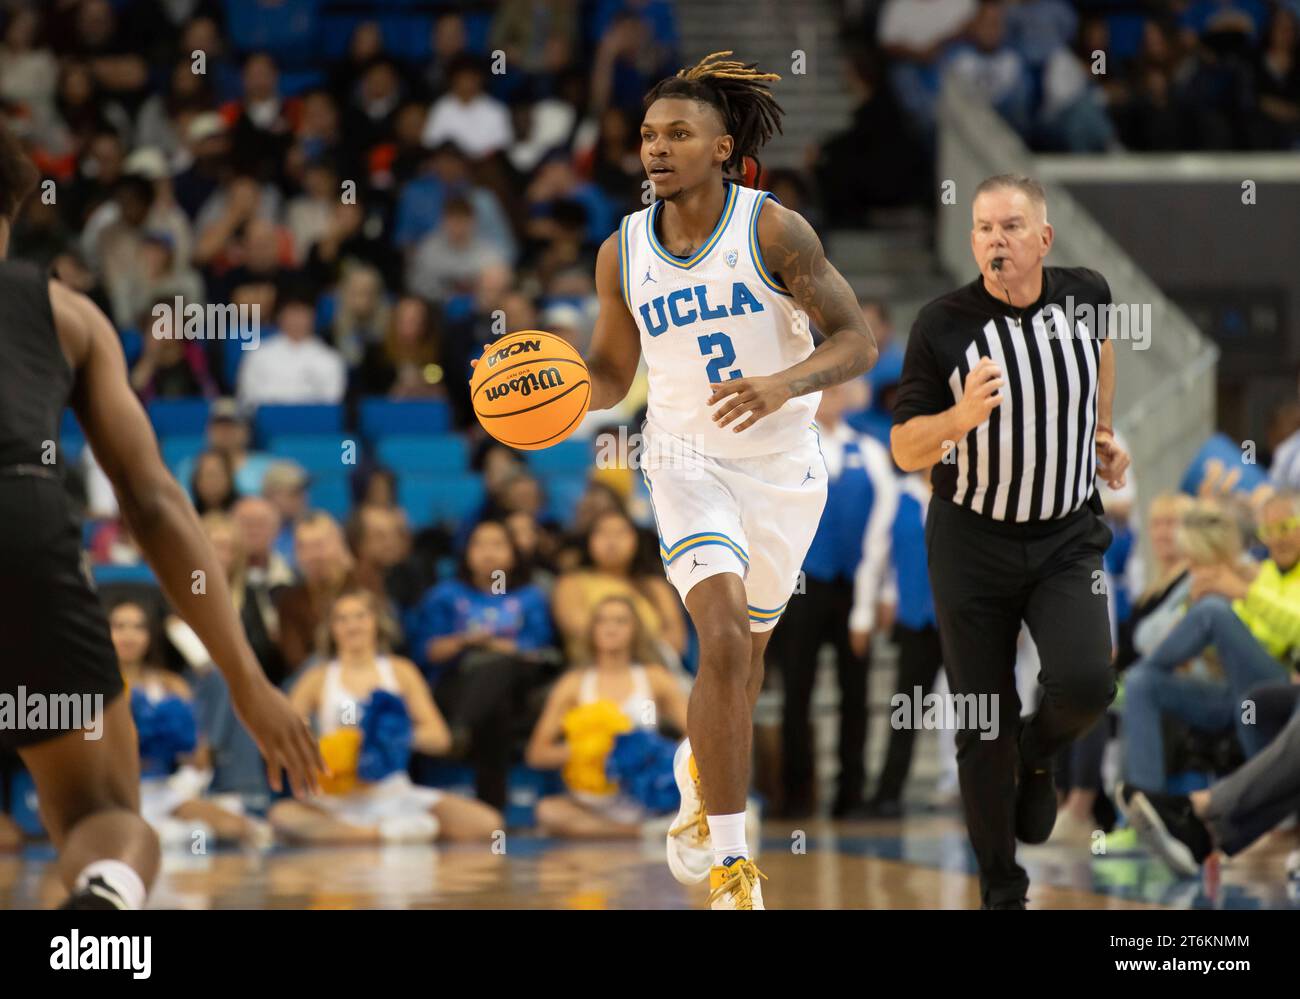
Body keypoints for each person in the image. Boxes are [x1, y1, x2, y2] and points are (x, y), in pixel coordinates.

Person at [499, 51, 877, 909]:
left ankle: (698, 769)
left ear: (722, 147)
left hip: (783, 466)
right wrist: (550, 395)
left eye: (678, 134)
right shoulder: (621, 250)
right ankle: (737, 864)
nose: (657, 149)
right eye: (647, 135)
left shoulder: (774, 231)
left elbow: (858, 341)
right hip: (679, 460)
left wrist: (784, 384)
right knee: (724, 639)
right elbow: (608, 371)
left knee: (743, 670)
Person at [0, 121, 320, 910]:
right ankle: (98, 920)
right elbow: (153, 504)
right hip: (22, 521)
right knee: (102, 814)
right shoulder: (65, 313)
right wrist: (245, 679)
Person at [890, 173, 1131, 909]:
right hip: (971, 542)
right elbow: (904, 444)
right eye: (985, 228)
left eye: (1012, 226)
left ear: (1044, 239)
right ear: (973, 242)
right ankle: (1003, 887)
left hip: (1065, 536)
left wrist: (1101, 431)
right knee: (979, 720)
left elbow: (1102, 353)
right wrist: (958, 419)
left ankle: (1036, 750)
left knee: (1089, 683)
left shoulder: (1086, 293)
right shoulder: (942, 323)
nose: (997, 239)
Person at [271, 589, 501, 844]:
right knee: (282, 815)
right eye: (342, 619)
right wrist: (327, 751)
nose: (352, 626)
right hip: (336, 798)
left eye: (360, 616)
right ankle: (379, 834)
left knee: (487, 824)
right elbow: (284, 739)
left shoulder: (401, 671)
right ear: (331, 629)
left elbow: (440, 739)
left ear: (376, 623)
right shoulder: (316, 678)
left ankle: (371, 835)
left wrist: (393, 737)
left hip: (391, 793)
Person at [527, 596, 689, 838]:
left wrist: (660, 758)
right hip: (591, 804)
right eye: (602, 621)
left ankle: (656, 825)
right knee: (548, 811)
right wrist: (590, 748)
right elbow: (537, 754)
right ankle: (641, 833)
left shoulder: (655, 677)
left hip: (647, 797)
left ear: (635, 630)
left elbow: (697, 735)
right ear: (592, 630)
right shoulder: (573, 684)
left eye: (620, 621)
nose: (611, 627)